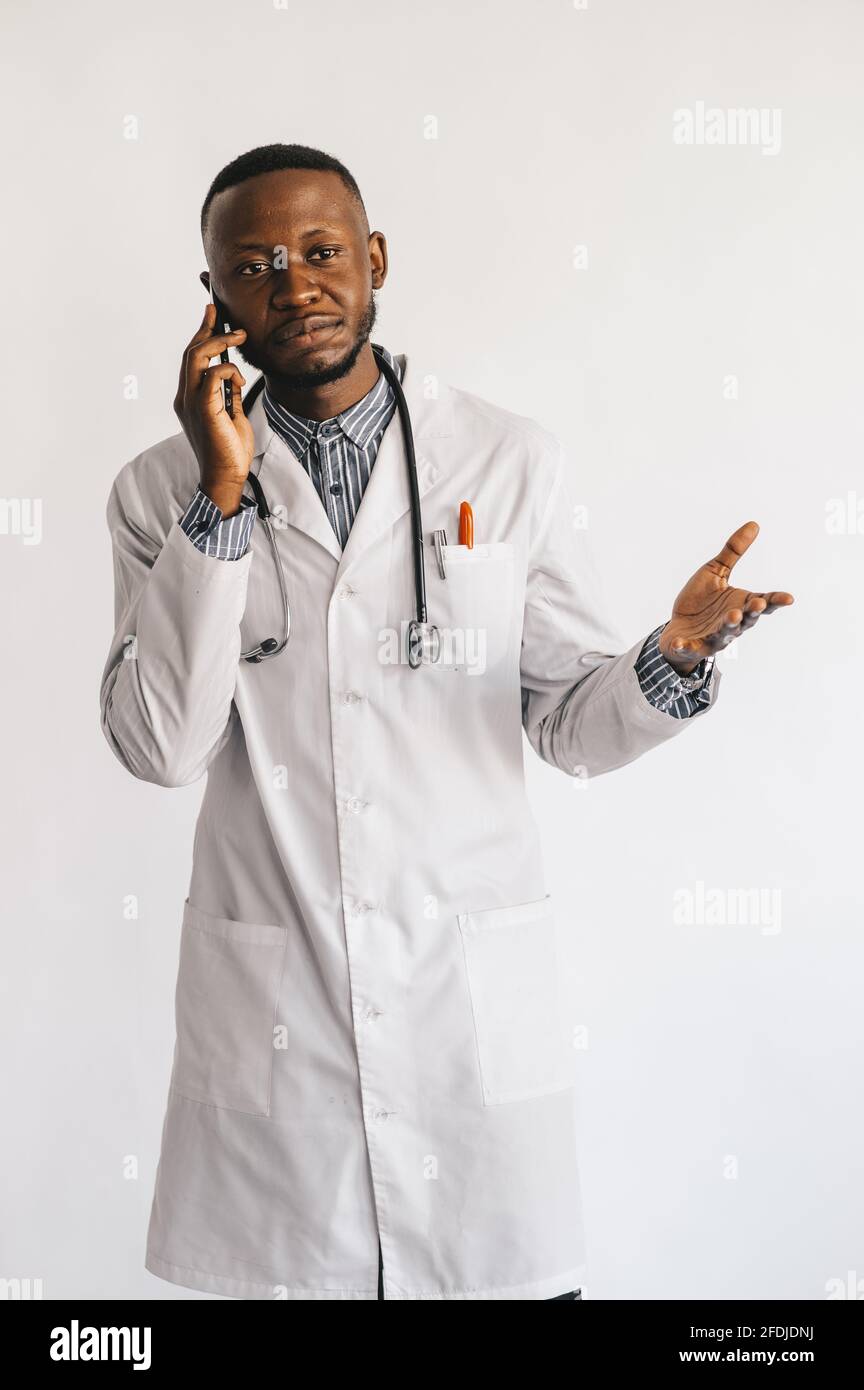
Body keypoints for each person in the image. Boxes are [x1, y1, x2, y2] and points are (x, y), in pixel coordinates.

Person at [99, 143, 793, 1301]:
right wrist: (220, 499)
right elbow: (162, 746)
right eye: (254, 263)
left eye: (322, 251)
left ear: (375, 260)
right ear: (213, 300)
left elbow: (569, 722)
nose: (295, 283)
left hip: (469, 1040)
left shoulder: (509, 458)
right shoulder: (154, 491)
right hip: (279, 1062)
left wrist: (670, 659)